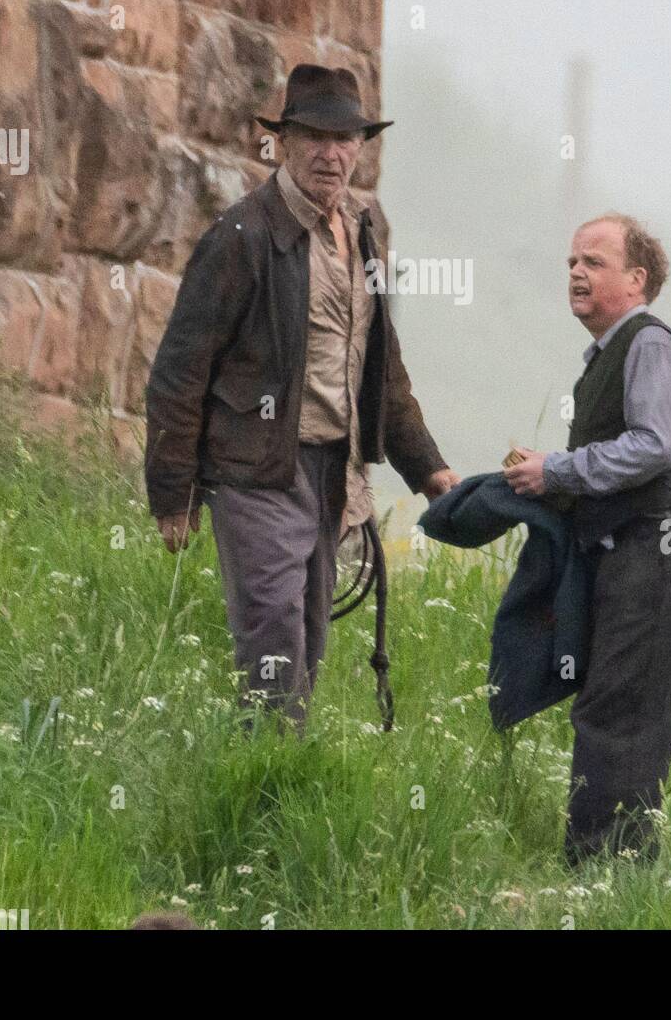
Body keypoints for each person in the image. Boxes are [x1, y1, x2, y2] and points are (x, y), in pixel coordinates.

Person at [145, 63, 458, 730]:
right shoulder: (244, 236)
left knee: (308, 645)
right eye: (315, 135)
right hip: (256, 471)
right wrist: (172, 491)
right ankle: (256, 792)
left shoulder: (361, 235)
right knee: (272, 647)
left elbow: (382, 370)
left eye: (346, 138)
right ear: (283, 141)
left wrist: (430, 471)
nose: (331, 152)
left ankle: (272, 786)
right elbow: (180, 368)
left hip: (333, 477)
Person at [504, 214, 671, 864]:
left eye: (592, 261)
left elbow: (656, 446)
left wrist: (558, 470)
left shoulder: (650, 345)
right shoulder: (604, 358)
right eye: (571, 261)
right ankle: (602, 873)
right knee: (608, 706)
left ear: (636, 278)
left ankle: (603, 877)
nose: (574, 272)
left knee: (621, 715)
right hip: (628, 556)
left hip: (657, 557)